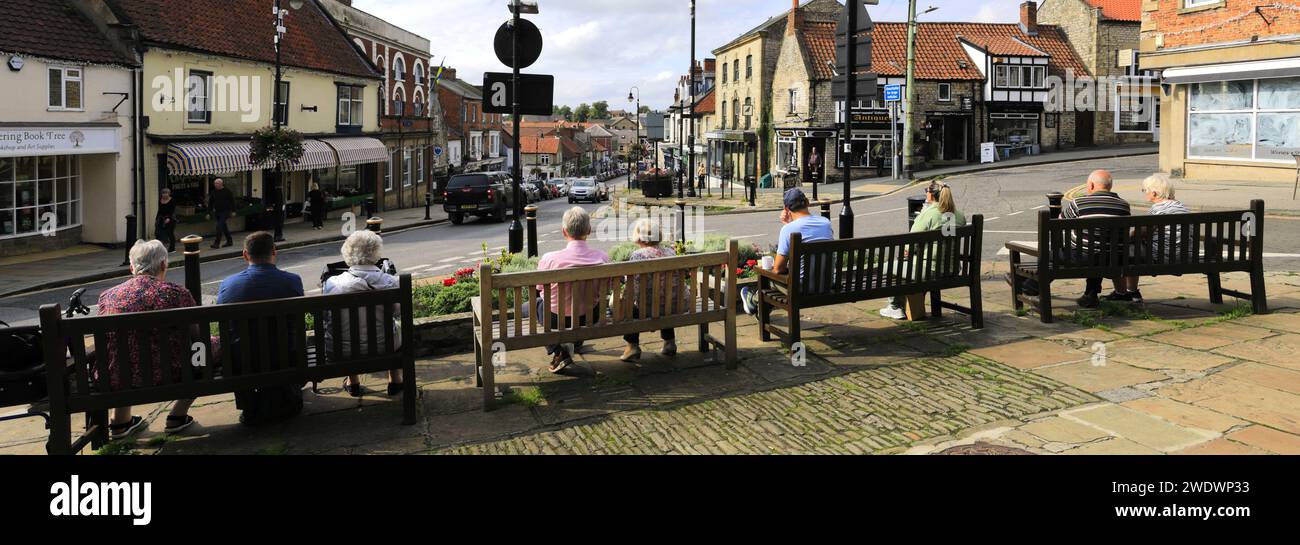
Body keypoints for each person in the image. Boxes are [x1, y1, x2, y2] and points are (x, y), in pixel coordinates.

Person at [96, 240, 199, 439]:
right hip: (171, 372)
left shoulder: (107, 296)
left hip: (119, 375)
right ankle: (177, 415)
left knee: (124, 353)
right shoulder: (176, 294)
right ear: (163, 265)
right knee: (202, 353)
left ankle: (120, 421)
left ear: (131, 267)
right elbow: (197, 335)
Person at [216, 232, 306, 425]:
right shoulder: (292, 281)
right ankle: (285, 398)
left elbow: (226, 326)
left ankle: (250, 406)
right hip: (286, 357)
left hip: (242, 362)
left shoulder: (228, 285)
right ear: (274, 251)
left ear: (245, 255)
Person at [323, 230, 405, 397]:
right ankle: (395, 379)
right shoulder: (389, 282)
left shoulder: (333, 283)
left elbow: (326, 317)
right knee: (394, 326)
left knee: (345, 329)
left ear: (347, 253)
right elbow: (397, 312)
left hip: (341, 349)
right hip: (384, 346)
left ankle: (353, 382)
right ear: (376, 253)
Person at [536, 207, 610, 372]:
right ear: (589, 230)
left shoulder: (549, 259)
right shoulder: (602, 258)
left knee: (533, 304)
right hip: (590, 317)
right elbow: (607, 288)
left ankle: (558, 350)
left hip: (556, 319)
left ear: (564, 231)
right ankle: (574, 342)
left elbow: (540, 288)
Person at [879, 181, 967, 320]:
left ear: (930, 195)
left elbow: (910, 243)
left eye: (926, 190)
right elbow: (946, 234)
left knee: (890, 266)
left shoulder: (928, 214)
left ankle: (895, 307)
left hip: (929, 271)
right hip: (952, 269)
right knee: (908, 266)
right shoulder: (959, 215)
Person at [739, 188, 834, 315]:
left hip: (800, 290)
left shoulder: (788, 229)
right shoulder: (825, 223)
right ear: (807, 202)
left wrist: (786, 225)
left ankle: (753, 302)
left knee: (768, 280)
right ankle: (757, 305)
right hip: (826, 286)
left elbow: (778, 269)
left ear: (786, 209)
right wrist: (788, 224)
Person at [1107, 173, 1190, 304]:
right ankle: (1131, 291)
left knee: (1127, 250)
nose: (1145, 193)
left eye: (1145, 190)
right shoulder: (1182, 208)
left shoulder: (1158, 209)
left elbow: (1142, 233)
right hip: (1184, 256)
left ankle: (1128, 292)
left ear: (1155, 193)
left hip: (1163, 256)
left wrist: (1128, 235)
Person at [1062, 170, 1131, 309]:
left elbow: (1060, 222)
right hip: (1112, 258)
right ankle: (1090, 295)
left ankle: (1030, 285)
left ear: (1092, 186)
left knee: (1051, 255)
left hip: (1082, 258)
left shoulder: (1078, 203)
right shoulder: (1123, 205)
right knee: (1099, 250)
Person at [620, 219, 678, 362]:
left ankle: (632, 346)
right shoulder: (671, 252)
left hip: (646, 309)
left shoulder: (638, 255)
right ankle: (669, 342)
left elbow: (632, 284)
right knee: (665, 297)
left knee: (630, 306)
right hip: (675, 306)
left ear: (639, 237)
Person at [207, 178, 235, 249]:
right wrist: (208, 213)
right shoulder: (213, 192)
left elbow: (232, 201)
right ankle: (229, 241)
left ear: (221, 184)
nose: (215, 185)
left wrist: (233, 211)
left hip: (225, 211)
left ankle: (216, 243)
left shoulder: (227, 191)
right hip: (217, 211)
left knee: (219, 226)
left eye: (217, 183)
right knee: (224, 227)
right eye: (215, 184)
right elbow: (210, 203)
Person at [155, 188, 177, 252]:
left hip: (170, 219)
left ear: (169, 194)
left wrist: (169, 218)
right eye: (163, 193)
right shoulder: (160, 200)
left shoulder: (172, 200)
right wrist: (156, 218)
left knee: (170, 233)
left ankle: (172, 248)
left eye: (166, 193)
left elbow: (172, 210)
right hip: (161, 218)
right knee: (158, 233)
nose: (164, 195)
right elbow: (159, 210)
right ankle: (159, 248)